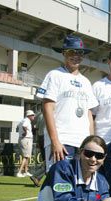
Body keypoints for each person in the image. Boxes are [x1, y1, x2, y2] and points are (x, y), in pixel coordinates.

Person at [36, 35, 98, 172]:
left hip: (82, 144)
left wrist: (91, 142)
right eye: (71, 52)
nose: (76, 56)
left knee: (80, 186)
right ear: (64, 53)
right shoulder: (54, 75)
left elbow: (88, 114)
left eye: (80, 52)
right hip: (62, 141)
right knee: (59, 185)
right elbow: (47, 107)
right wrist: (55, 141)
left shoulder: (86, 82)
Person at [30, 109, 47, 187]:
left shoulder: (39, 115)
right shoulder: (51, 112)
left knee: (46, 161)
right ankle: (36, 176)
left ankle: (38, 178)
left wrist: (36, 139)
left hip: (40, 138)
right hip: (47, 138)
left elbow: (34, 125)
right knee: (50, 160)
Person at [16, 110, 36, 177]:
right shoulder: (26, 121)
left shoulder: (23, 120)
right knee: (26, 156)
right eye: (32, 115)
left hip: (24, 139)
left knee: (27, 156)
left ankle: (26, 171)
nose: (34, 116)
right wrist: (26, 132)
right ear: (29, 116)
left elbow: (18, 126)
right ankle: (19, 172)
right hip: (26, 139)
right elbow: (24, 126)